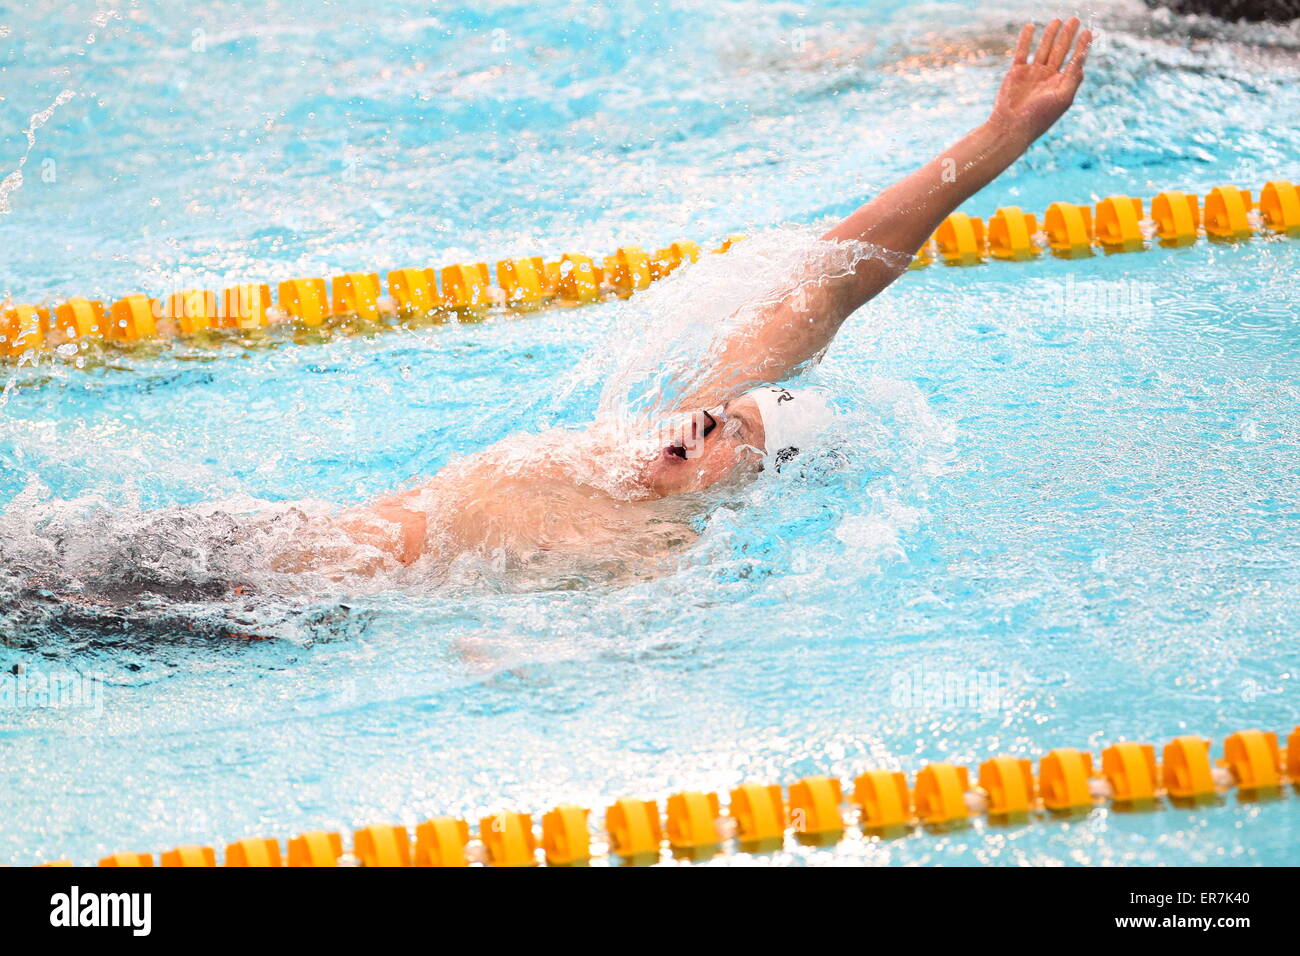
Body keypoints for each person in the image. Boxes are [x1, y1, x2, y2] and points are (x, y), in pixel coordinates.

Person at [321, 19, 1093, 580]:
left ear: (749, 491)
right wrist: (1003, 136)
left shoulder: (655, 555)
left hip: (281, 613)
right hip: (258, 539)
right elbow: (834, 278)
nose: (711, 419)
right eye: (728, 410)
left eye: (738, 435)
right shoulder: (649, 436)